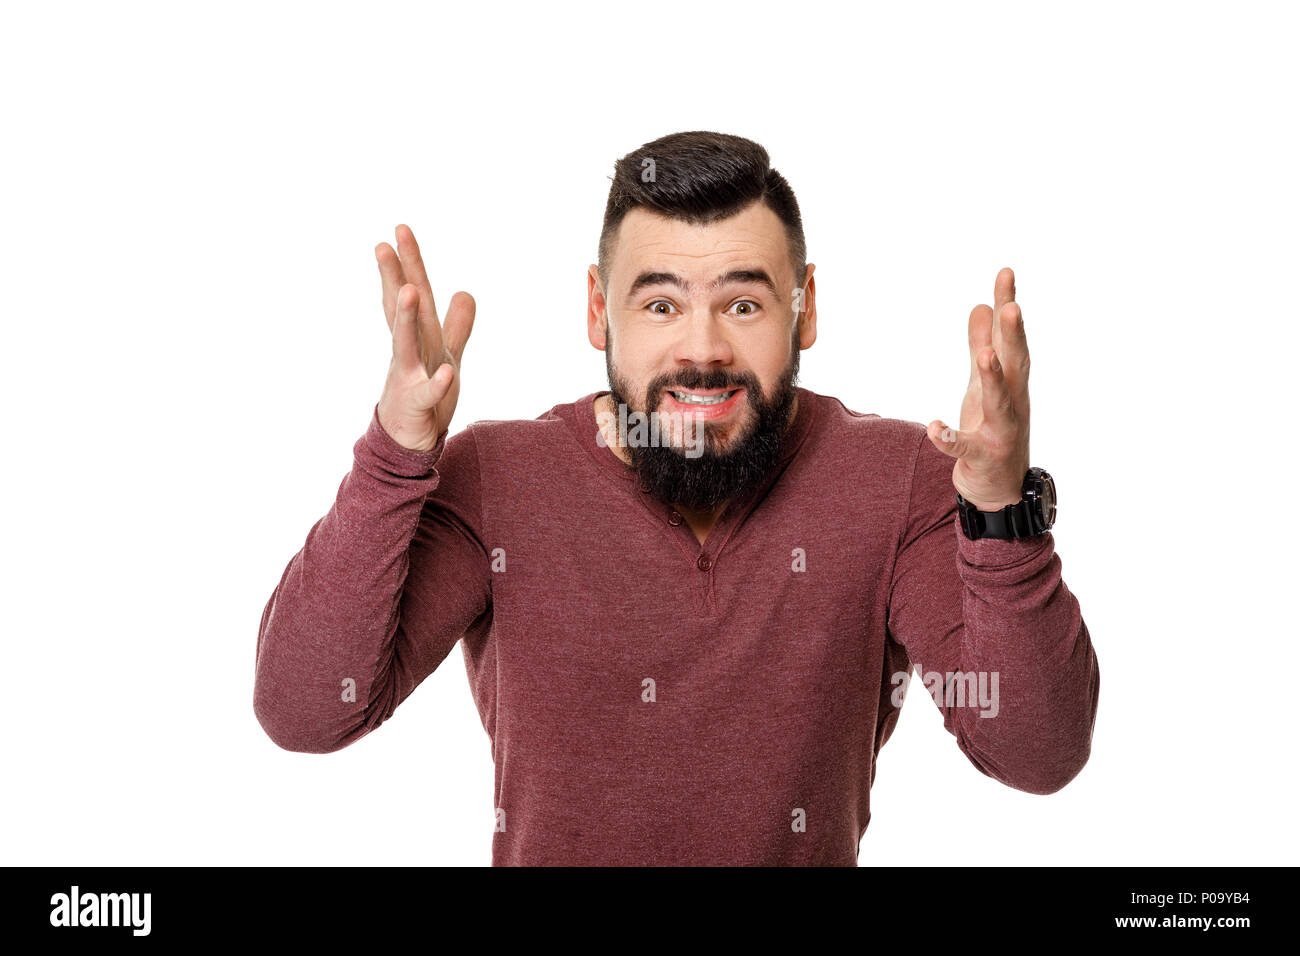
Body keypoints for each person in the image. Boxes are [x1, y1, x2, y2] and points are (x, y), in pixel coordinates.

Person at [253, 130, 1100, 866]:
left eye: (743, 301)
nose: (702, 349)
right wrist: (396, 455)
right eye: (660, 303)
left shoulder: (898, 478)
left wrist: (998, 511)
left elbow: (1038, 750)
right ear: (598, 311)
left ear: (805, 311)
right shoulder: (499, 479)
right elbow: (303, 709)